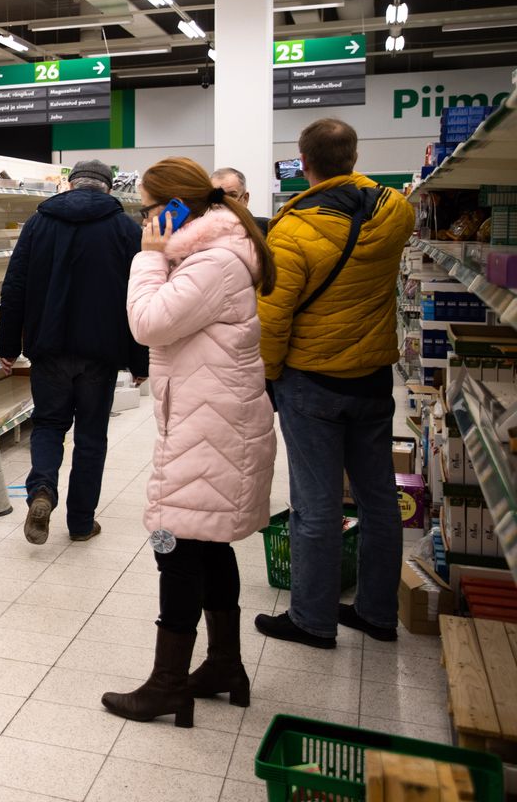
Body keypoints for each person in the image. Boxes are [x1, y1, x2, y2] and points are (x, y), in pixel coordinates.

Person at [101, 156, 277, 726]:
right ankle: (224, 665)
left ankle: (168, 684)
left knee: (174, 545)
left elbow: (148, 322)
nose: (143, 221)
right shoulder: (214, 253)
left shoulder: (213, 262)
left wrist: (150, 257)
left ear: (176, 209)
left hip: (211, 426)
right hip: (211, 419)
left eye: (148, 210)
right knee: (207, 543)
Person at [254, 118, 415, 648]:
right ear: (354, 156)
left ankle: (312, 619)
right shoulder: (395, 212)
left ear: (303, 163)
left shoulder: (292, 231)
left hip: (313, 383)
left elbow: (272, 320)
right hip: (373, 379)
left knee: (317, 505)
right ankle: (377, 612)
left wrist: (268, 376)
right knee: (379, 500)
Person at [0, 159, 149, 545]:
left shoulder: (38, 224)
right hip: (101, 353)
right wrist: (140, 360)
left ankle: (42, 490)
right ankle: (81, 522)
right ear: (109, 189)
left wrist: (8, 346)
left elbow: (14, 287)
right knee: (91, 436)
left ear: (69, 184)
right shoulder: (126, 229)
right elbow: (139, 296)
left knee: (49, 425)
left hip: (48, 349)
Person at [212, 166, 269, 234]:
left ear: (245, 199)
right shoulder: (203, 231)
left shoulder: (268, 228)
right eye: (216, 196)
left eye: (231, 196)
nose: (224, 202)